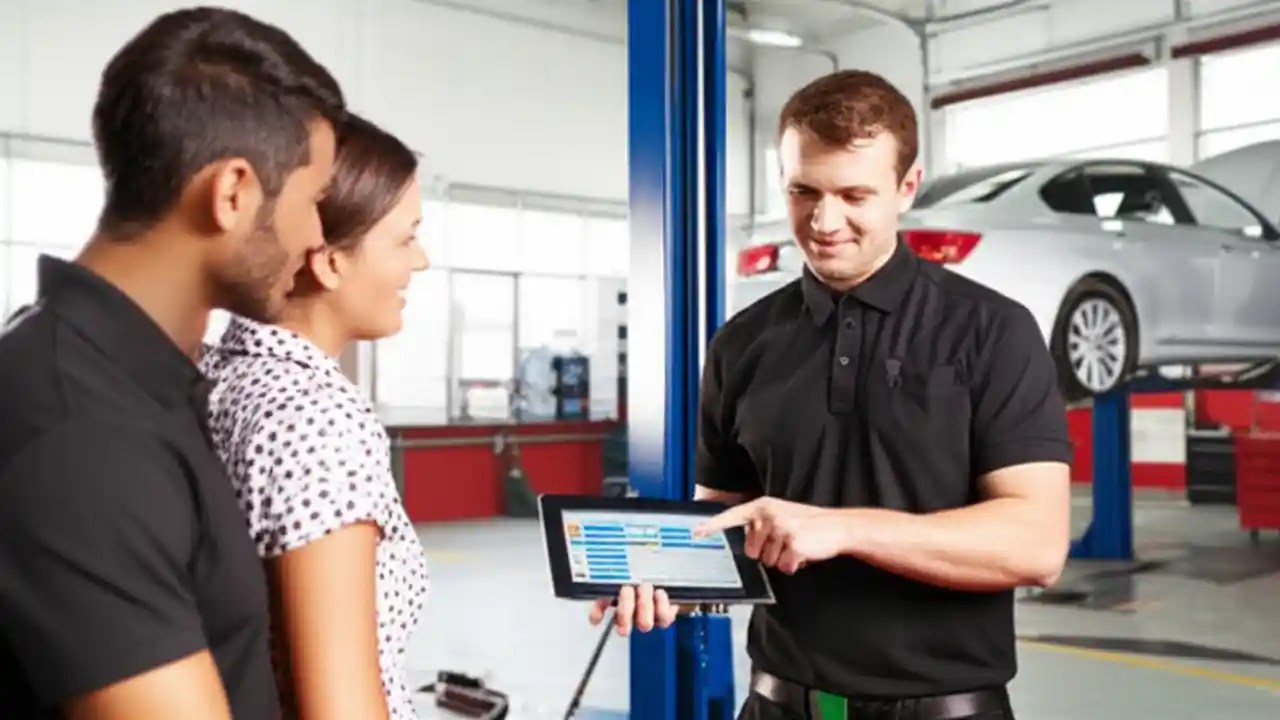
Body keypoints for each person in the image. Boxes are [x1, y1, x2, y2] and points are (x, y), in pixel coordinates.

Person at [593, 70, 1072, 720]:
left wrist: (840, 529)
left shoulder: (992, 331)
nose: (824, 221)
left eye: (854, 194)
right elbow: (723, 527)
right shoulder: (742, 343)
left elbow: (1037, 544)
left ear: (908, 187)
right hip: (778, 704)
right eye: (803, 190)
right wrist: (665, 579)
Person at [0, 7, 344, 720]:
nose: (316, 239)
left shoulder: (136, 382)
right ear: (233, 193)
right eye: (314, 202)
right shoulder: (82, 436)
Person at [199, 112, 430, 720]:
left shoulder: (217, 374)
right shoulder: (315, 421)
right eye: (406, 239)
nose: (422, 261)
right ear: (328, 261)